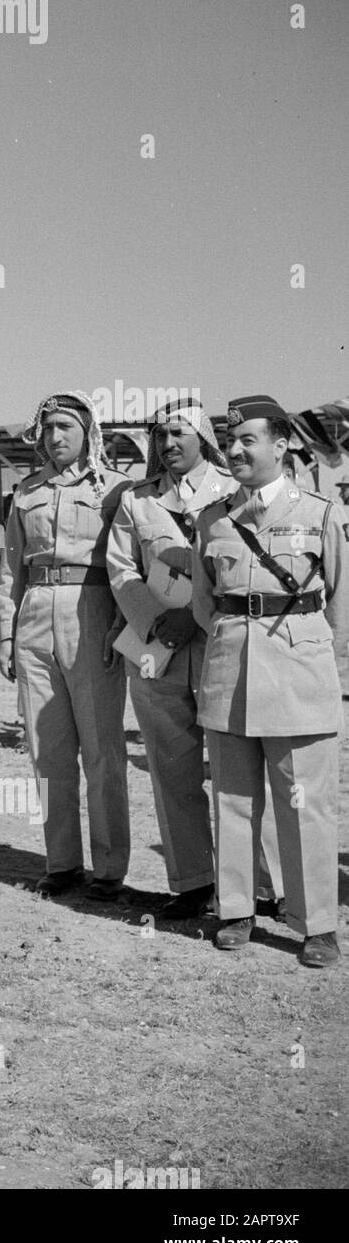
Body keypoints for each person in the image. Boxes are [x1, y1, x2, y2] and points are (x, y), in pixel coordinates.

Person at [193, 394, 348, 968]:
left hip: (300, 675)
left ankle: (317, 925)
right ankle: (236, 910)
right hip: (231, 673)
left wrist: (321, 666)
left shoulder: (320, 512)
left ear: (281, 446)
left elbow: (342, 605)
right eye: (229, 441)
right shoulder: (213, 519)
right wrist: (239, 639)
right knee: (233, 799)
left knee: (304, 803)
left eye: (246, 440)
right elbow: (204, 605)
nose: (233, 450)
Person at [0, 391, 132, 899]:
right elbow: (9, 570)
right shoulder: (26, 491)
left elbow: (126, 564)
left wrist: (120, 629)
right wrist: (7, 637)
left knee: (102, 750)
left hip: (91, 612)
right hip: (34, 614)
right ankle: (61, 863)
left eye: (66, 428)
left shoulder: (117, 489)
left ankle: (110, 867)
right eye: (49, 428)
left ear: (88, 432)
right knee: (46, 749)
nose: (56, 438)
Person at [107, 400, 235, 918]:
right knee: (170, 767)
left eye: (179, 434)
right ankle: (193, 882)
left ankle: (247, 887)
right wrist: (154, 618)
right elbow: (121, 569)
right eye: (161, 436)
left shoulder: (233, 492)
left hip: (219, 643)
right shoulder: (138, 502)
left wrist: (196, 616)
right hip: (155, 645)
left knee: (233, 769)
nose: (168, 444)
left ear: (203, 437)